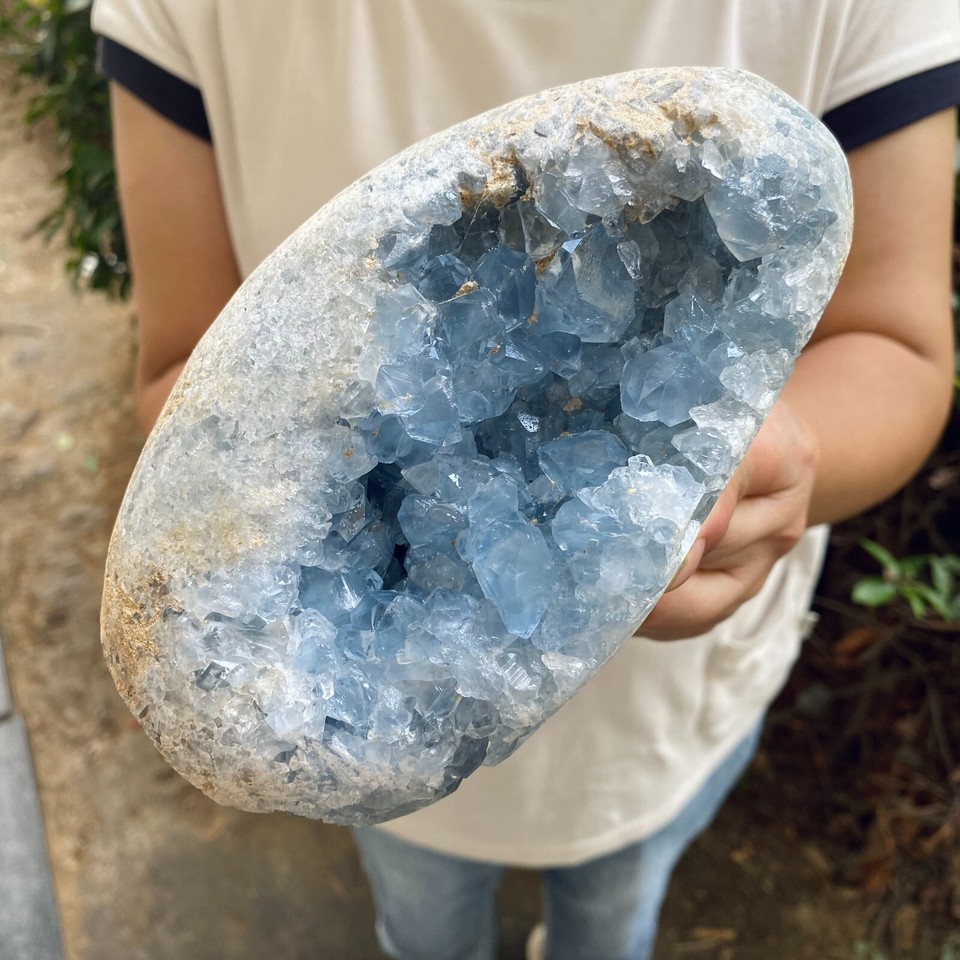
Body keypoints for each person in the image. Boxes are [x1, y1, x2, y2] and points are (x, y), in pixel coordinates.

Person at [92, 2, 959, 958]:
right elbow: (179, 375)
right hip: (391, 751)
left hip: (666, 724)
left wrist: (789, 451)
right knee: (426, 930)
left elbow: (902, 350)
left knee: (614, 920)